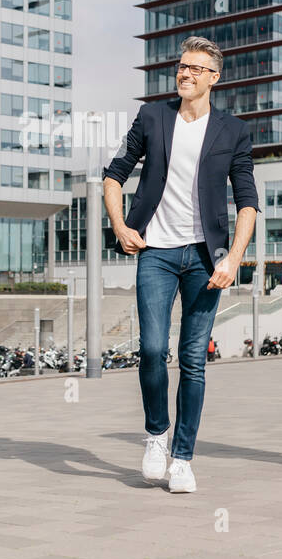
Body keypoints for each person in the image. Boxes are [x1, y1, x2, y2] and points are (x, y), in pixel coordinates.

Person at [102, 36, 260, 493]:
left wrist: (235, 257)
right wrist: (119, 225)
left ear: (214, 76)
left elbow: (247, 202)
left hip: (205, 258)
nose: (184, 74)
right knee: (153, 349)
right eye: (181, 67)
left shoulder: (233, 131)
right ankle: (156, 436)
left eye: (195, 68)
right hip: (155, 252)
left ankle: (183, 458)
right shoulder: (153, 117)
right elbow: (115, 174)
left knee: (193, 358)